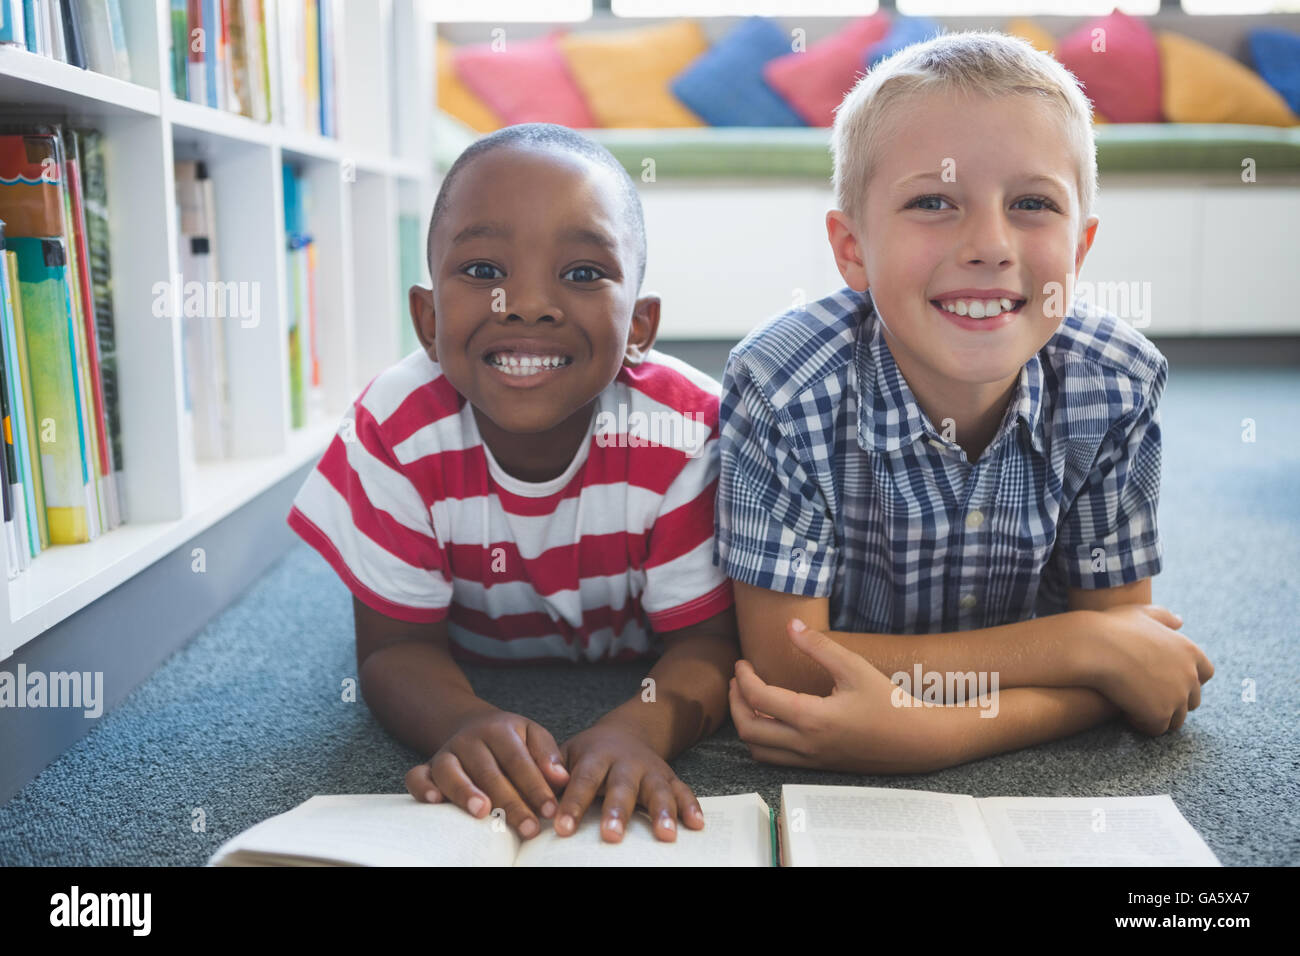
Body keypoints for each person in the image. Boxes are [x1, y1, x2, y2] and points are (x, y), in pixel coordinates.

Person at [715, 31, 1214, 774]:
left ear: (1079, 250)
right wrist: (1078, 649)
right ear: (852, 249)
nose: (989, 244)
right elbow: (787, 670)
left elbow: (1136, 662)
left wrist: (937, 728)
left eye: (1033, 203)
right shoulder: (782, 386)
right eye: (933, 201)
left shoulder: (1116, 382)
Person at [287, 123, 738, 842]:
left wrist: (642, 726)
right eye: (485, 272)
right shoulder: (392, 429)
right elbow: (392, 650)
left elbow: (712, 643)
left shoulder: (686, 430)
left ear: (642, 326)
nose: (526, 304)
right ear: (428, 321)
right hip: (465, 650)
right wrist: (460, 721)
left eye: (584, 273)